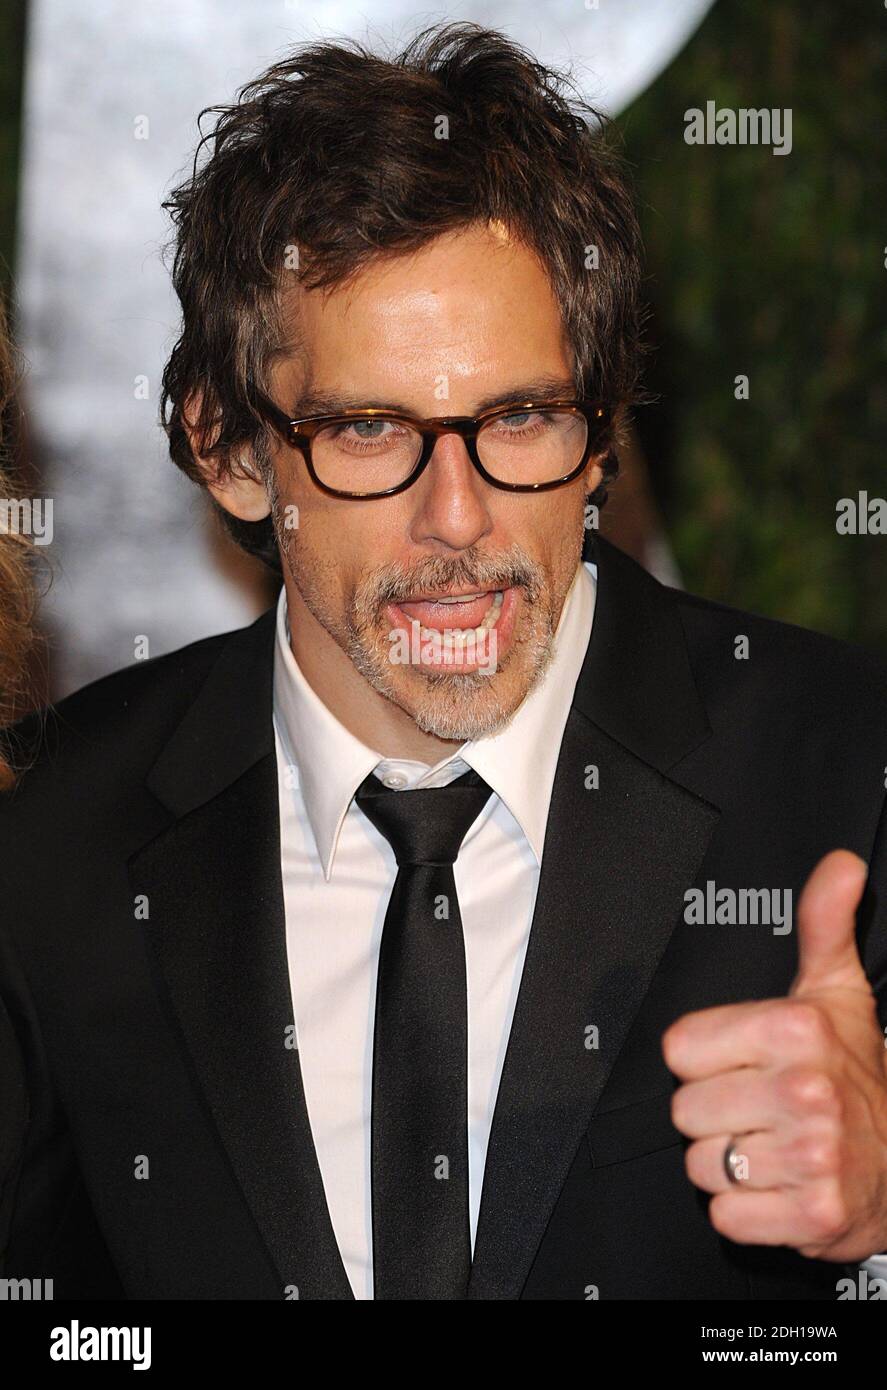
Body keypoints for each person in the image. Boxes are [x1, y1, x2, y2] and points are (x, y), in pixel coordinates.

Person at [1, 22, 887, 1302]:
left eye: (519, 417)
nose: (459, 520)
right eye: (369, 429)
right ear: (228, 450)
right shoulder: (47, 847)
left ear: (600, 433)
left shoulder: (846, 775)